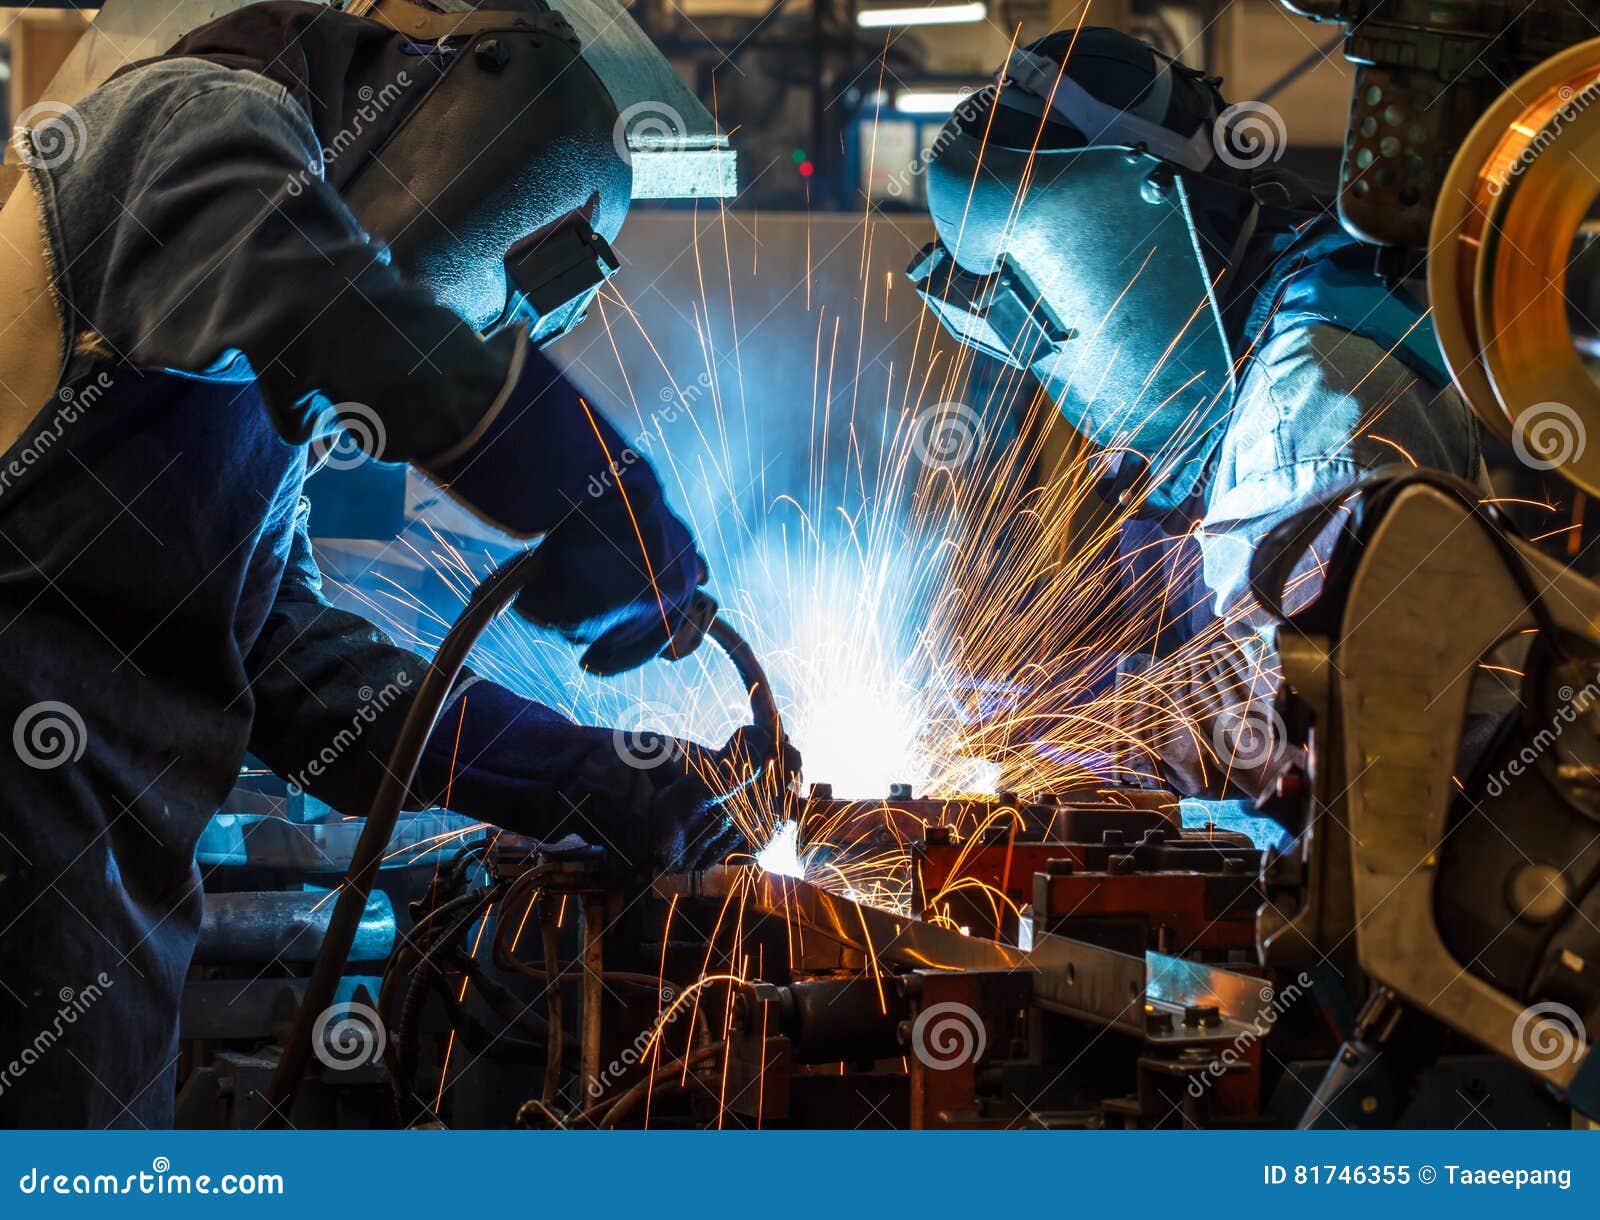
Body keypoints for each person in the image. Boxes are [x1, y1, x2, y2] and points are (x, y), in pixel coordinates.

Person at [0, 0, 786, 1128]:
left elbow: (288, 665)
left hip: (91, 894)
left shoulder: (253, 363)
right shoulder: (191, 121)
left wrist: (573, 769)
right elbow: (322, 299)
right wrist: (567, 470)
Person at [907, 27, 1481, 800]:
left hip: (1422, 862)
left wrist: (1060, 724)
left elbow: (1286, 714)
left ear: (1109, 245)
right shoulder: (1213, 385)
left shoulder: (1304, 402)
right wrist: (1044, 691)